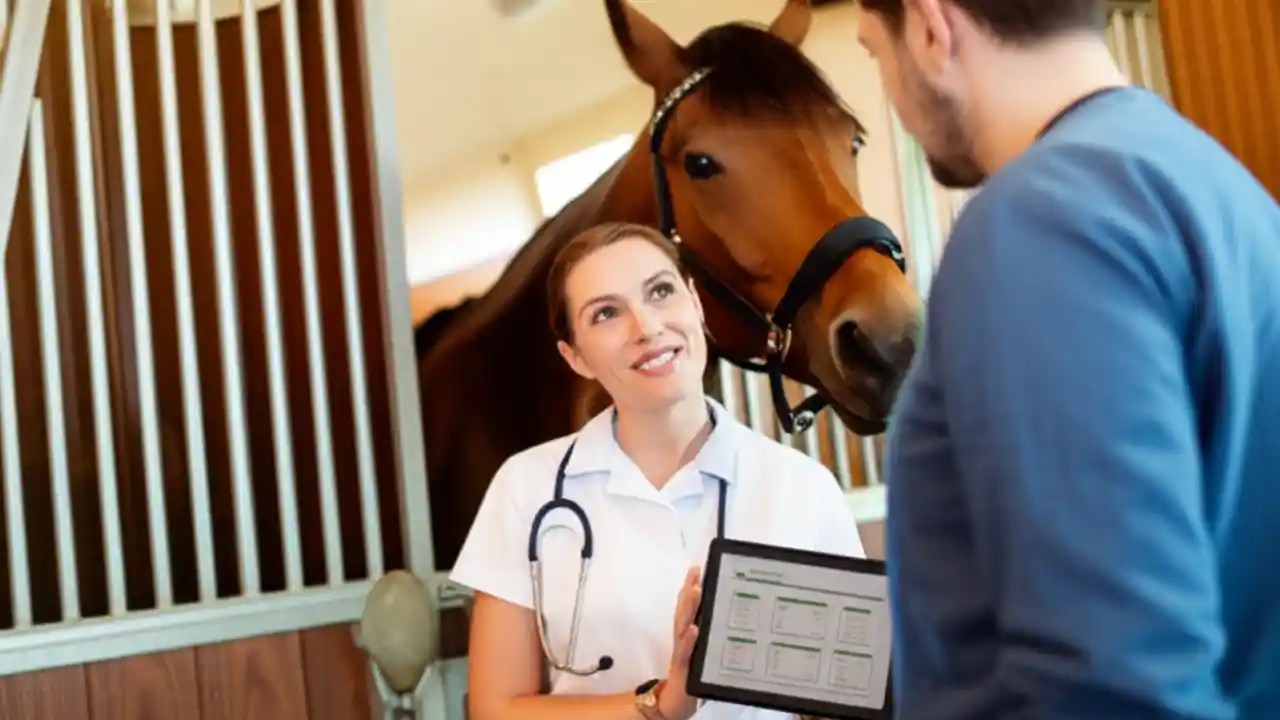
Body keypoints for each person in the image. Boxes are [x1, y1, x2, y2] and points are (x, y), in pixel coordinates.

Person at [853, 0, 1280, 717]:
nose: (893, 93)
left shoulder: (1039, 224)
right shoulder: (1227, 192)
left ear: (930, 27)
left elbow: (1116, 682)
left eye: (875, 54)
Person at [448, 221, 869, 720]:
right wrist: (658, 705)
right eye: (606, 313)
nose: (646, 328)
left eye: (661, 292)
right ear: (576, 356)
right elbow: (494, 711)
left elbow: (848, 700)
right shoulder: (526, 488)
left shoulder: (802, 488)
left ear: (695, 303)